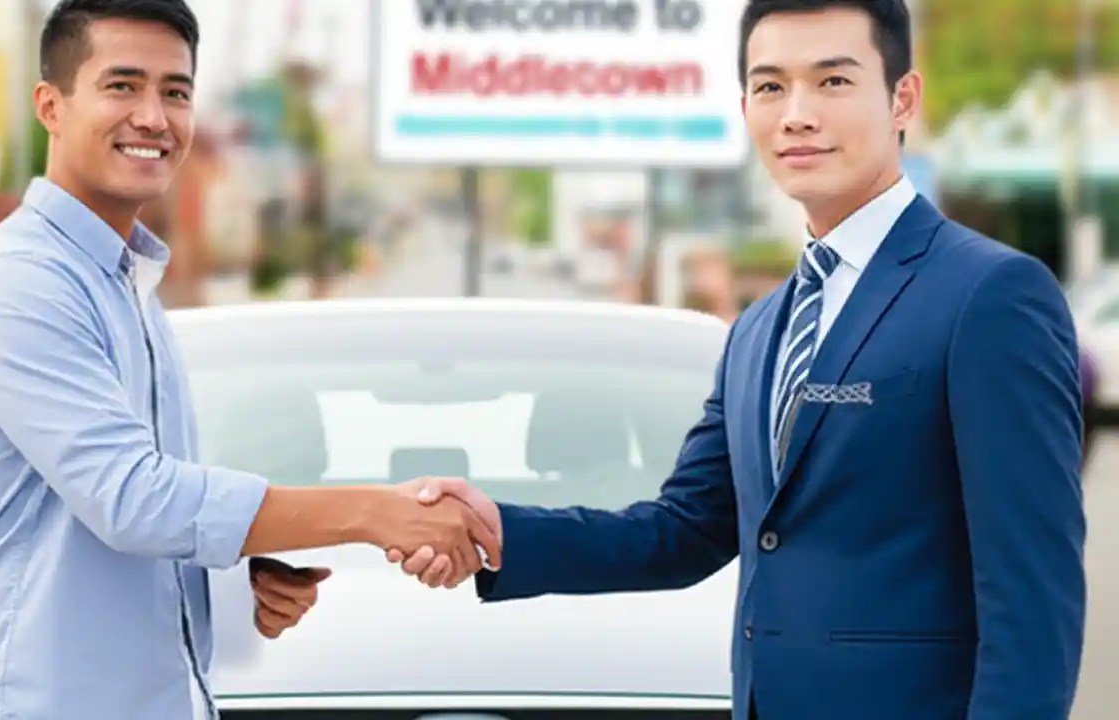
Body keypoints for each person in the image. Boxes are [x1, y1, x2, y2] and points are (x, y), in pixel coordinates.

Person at [385, 1, 1087, 718]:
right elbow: (686, 530)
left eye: (833, 83)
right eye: (771, 86)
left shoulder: (990, 296)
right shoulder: (759, 329)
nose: (797, 115)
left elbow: (1033, 598)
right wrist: (505, 531)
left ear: (902, 97)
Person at [0, 1, 499, 718]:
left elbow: (136, 518)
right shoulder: (18, 282)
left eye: (176, 92)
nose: (153, 117)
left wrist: (233, 577)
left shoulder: (126, 284)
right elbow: (133, 500)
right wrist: (376, 514)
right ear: (51, 105)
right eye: (121, 86)